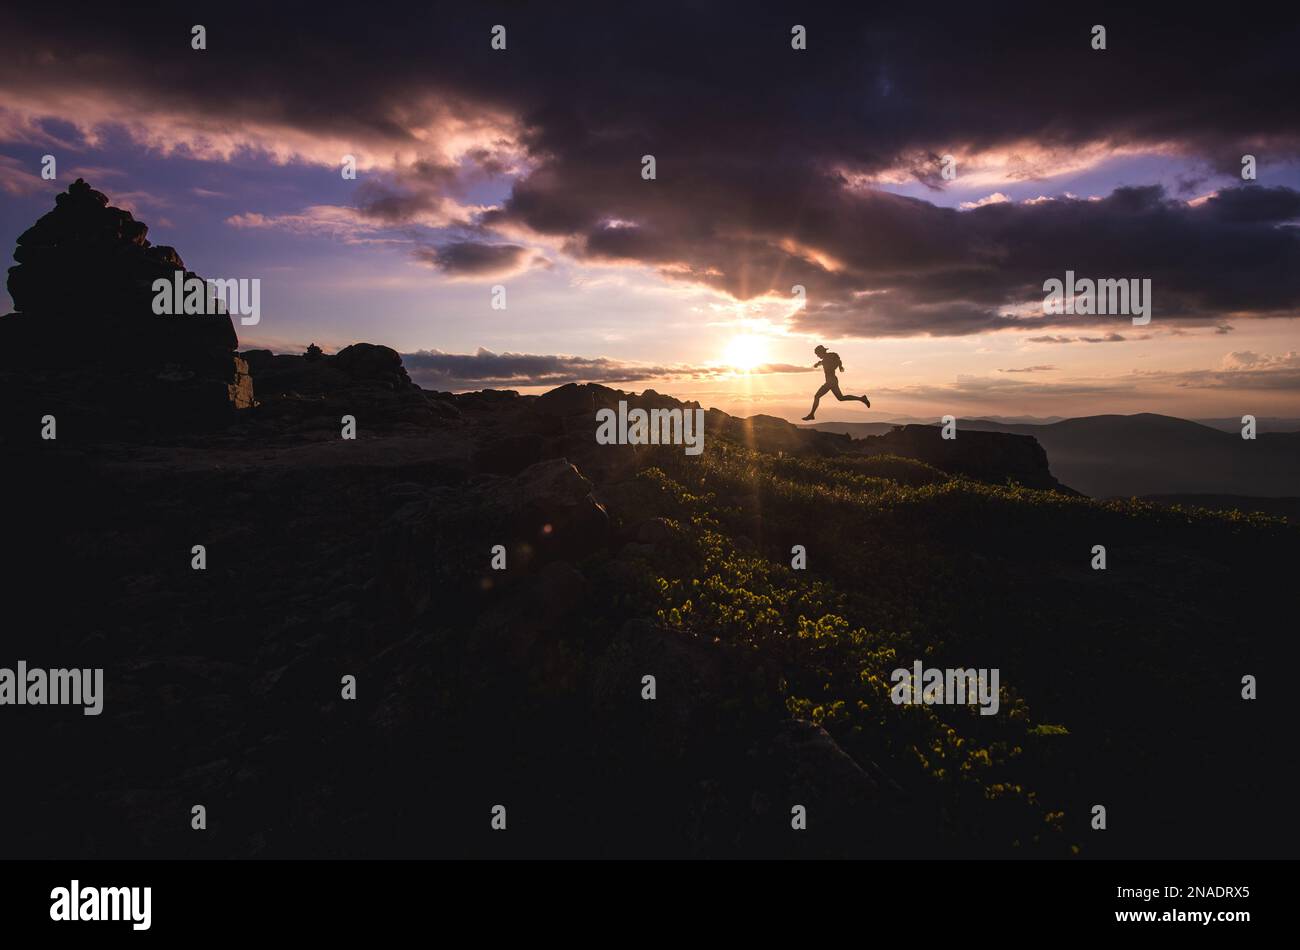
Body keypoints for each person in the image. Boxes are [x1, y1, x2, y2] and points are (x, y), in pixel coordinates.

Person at [802, 345, 870, 420]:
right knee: (841, 398)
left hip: (830, 382)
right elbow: (836, 360)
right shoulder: (828, 357)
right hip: (833, 381)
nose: (817, 356)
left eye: (818, 354)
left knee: (817, 396)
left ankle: (811, 415)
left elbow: (830, 362)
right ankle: (862, 399)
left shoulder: (827, 359)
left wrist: (835, 366)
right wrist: (819, 364)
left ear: (821, 352)